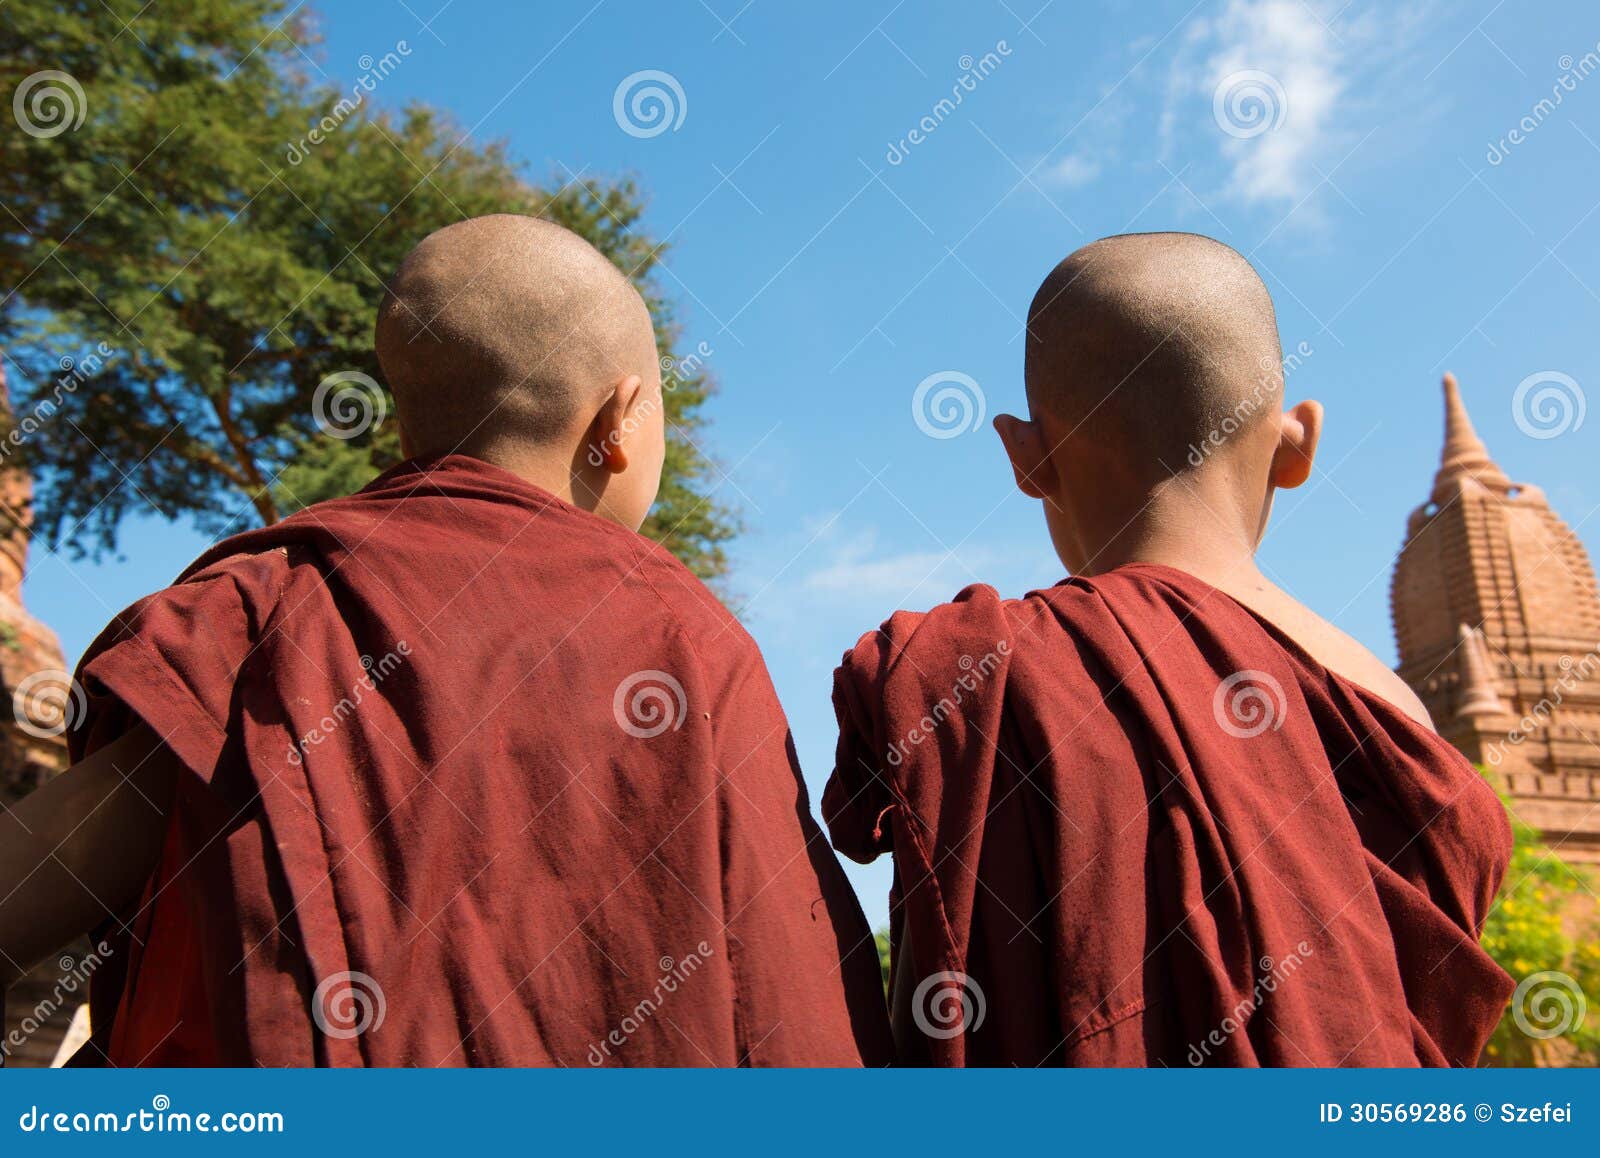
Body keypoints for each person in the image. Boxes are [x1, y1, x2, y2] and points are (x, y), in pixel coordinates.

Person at [0, 214, 891, 1067]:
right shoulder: (685, 636)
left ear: (401, 423)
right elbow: (785, 1006)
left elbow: (37, 880)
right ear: (618, 422)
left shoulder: (258, 611)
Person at [823, 232, 1513, 1067]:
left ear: (1025, 456)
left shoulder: (968, 679)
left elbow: (924, 1017)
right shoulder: (1396, 715)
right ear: (1299, 443)